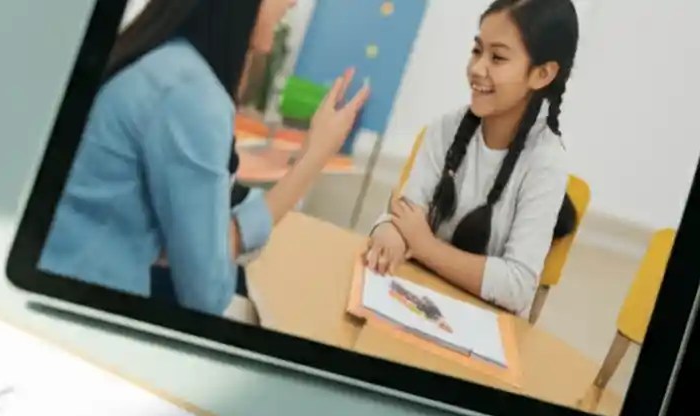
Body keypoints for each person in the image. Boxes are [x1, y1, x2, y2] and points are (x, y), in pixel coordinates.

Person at [39, 0, 370, 317]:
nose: (293, 2)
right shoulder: (191, 93)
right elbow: (207, 293)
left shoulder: (163, 60)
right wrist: (315, 156)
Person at [366, 0, 579, 318]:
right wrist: (389, 232)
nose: (478, 68)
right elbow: (405, 215)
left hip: (481, 329)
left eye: (498, 57)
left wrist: (426, 247)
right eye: (477, 51)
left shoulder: (545, 163)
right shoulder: (444, 130)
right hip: (414, 303)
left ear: (543, 73)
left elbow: (517, 287)